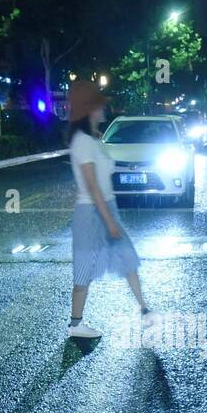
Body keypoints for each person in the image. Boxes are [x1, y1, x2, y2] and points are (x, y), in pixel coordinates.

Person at [64, 80, 155, 339]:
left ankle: (145, 310)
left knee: (128, 258)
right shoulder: (82, 141)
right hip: (92, 213)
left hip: (105, 209)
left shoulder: (94, 139)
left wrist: (111, 218)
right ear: (88, 109)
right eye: (99, 105)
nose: (104, 109)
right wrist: (109, 222)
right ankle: (76, 324)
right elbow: (92, 187)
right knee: (83, 270)